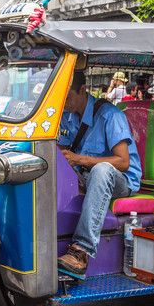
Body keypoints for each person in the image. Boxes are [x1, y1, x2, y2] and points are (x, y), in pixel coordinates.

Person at [56, 71, 142, 278]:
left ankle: (81, 251)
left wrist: (79, 160)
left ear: (82, 91)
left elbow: (123, 162)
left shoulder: (110, 116)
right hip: (86, 176)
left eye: (67, 97)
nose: (64, 102)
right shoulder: (67, 117)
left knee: (101, 170)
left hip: (120, 181)